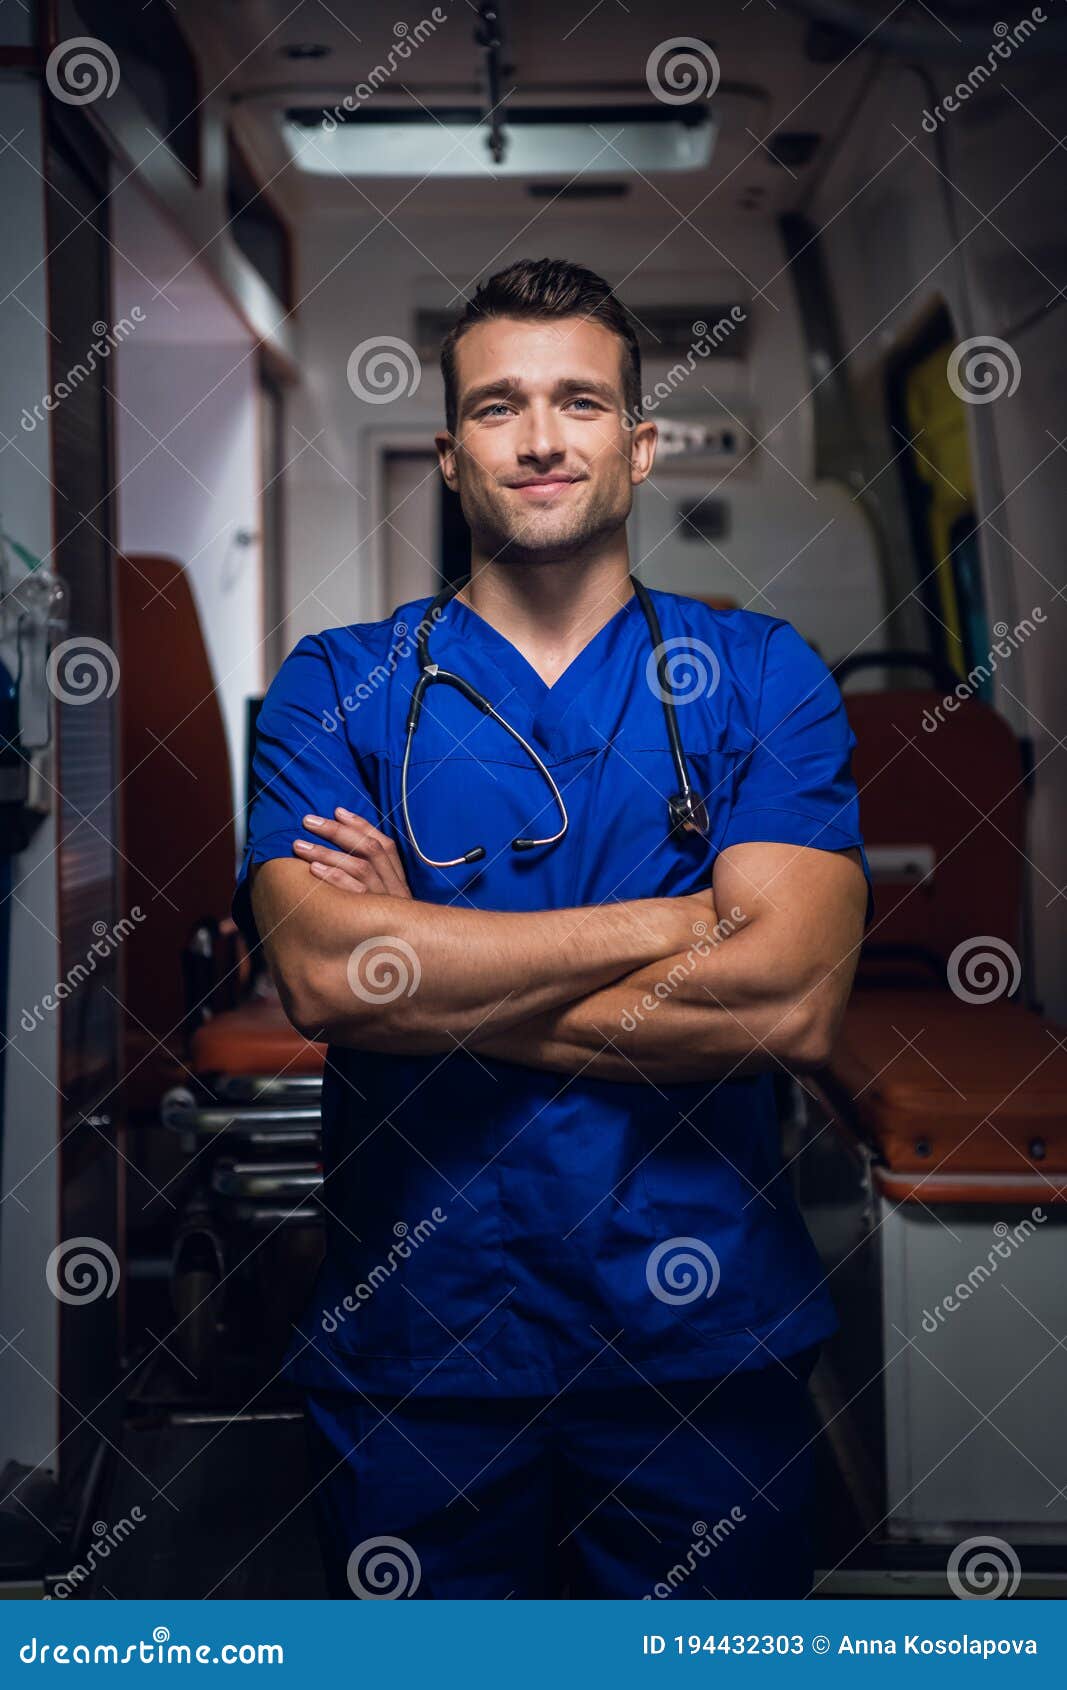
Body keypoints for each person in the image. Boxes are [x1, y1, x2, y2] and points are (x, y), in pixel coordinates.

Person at [234, 257, 871, 1600]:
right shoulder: (334, 690)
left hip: (701, 1351)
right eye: (497, 407)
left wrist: (426, 953)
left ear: (636, 447)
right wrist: (680, 920)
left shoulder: (764, 679)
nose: (537, 438)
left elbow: (785, 1005)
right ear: (452, 454)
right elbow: (325, 974)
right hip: (425, 1346)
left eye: (579, 402)